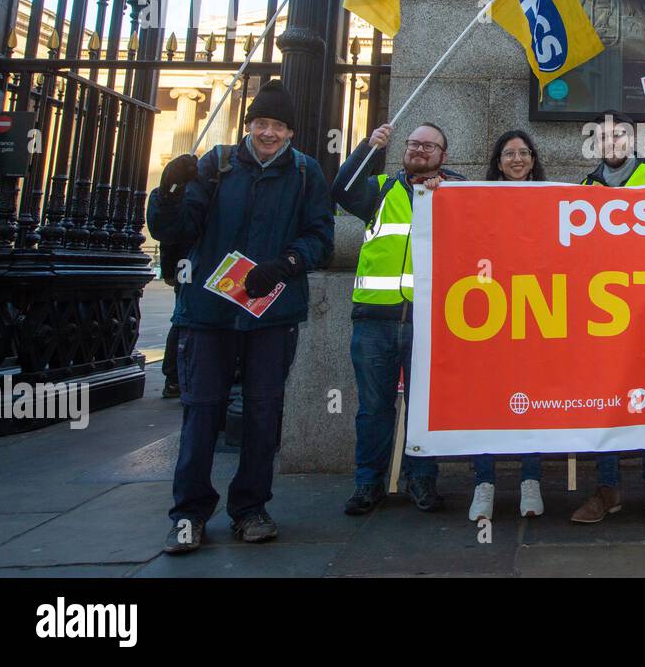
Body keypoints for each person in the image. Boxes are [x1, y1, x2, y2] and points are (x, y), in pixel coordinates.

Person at [147, 80, 334, 554]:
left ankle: (250, 508)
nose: (268, 133)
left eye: (278, 126)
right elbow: (176, 228)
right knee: (201, 412)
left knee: (262, 412)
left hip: (271, 313)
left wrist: (285, 265)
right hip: (208, 313)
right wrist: (168, 191)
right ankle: (189, 512)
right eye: (261, 123)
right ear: (248, 124)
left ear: (291, 132)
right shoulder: (214, 166)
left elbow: (320, 238)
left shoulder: (307, 174)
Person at [333, 121, 466, 518]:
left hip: (430, 322)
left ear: (443, 156)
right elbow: (341, 188)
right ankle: (367, 484)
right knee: (373, 407)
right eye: (413, 144)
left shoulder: (452, 193)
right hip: (375, 319)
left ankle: (421, 481)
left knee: (425, 408)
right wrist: (369, 148)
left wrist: (452, 183)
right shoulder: (380, 189)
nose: (420, 150)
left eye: (430, 145)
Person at [571, 111, 645, 526]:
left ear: (632, 140)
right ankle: (607, 488)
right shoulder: (583, 187)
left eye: (619, 134)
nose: (611, 141)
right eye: (602, 136)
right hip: (602, 316)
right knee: (606, 401)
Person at [468, 130, 546, 521]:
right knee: (486, 400)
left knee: (529, 401)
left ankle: (530, 481)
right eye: (509, 153)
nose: (517, 159)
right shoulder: (474, 198)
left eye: (524, 153)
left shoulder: (554, 199)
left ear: (533, 160)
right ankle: (485, 484)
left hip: (536, 316)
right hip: (489, 315)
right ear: (498, 162)